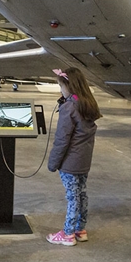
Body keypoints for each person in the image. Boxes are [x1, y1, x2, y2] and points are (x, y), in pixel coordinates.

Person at [46, 67, 101, 247]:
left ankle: (68, 234)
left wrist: (53, 163)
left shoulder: (69, 107)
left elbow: (62, 139)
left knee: (72, 197)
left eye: (61, 86)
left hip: (70, 162)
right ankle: (80, 229)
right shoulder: (87, 103)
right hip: (84, 161)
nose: (60, 90)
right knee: (81, 194)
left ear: (68, 86)